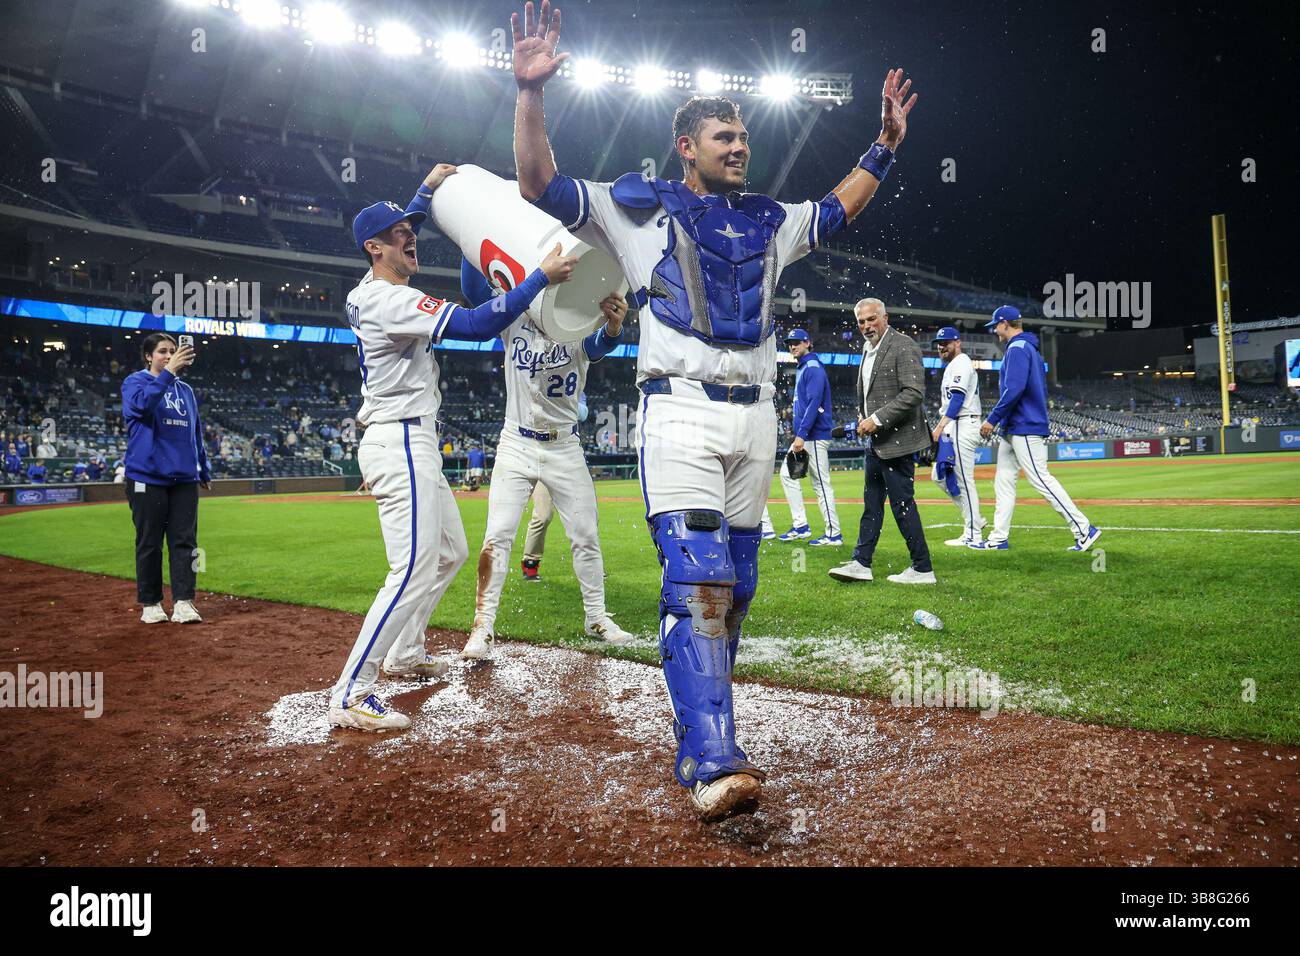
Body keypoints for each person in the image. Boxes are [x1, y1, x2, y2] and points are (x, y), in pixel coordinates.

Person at [510, 0, 918, 821]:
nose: (741, 148)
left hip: (755, 417)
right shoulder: (637, 208)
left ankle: (700, 719)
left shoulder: (771, 221)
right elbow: (539, 184)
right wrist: (530, 94)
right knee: (697, 578)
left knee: (740, 586)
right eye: (723, 139)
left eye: (743, 137)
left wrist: (884, 146)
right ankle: (711, 754)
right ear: (686, 147)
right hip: (681, 410)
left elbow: (838, 206)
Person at [328, 162, 579, 732]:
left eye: (408, 229)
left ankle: (405, 651)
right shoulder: (388, 301)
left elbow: (406, 226)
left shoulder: (374, 285)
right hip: (400, 439)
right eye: (398, 236)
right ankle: (352, 689)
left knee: (450, 554)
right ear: (374, 248)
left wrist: (424, 194)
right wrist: (538, 276)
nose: (409, 236)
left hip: (407, 439)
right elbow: (474, 325)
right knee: (413, 566)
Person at [458, 260, 634, 658]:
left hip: (564, 447)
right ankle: (482, 628)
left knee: (585, 536)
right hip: (516, 442)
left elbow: (602, 345)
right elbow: (473, 292)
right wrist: (472, 237)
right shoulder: (513, 317)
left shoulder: (576, 326)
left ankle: (596, 617)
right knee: (498, 535)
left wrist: (613, 326)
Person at [973, 306, 1101, 552]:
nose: (994, 331)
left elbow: (1014, 389)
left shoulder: (1018, 348)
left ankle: (1084, 529)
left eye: (995, 326)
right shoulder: (1024, 347)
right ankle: (998, 538)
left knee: (1041, 478)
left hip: (1024, 424)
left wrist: (992, 418)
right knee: (1004, 482)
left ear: (1005, 324)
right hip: (1015, 425)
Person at [828, 298, 935, 584]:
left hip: (898, 441)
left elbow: (913, 393)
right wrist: (865, 417)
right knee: (872, 505)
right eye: (861, 321)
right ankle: (861, 563)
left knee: (902, 505)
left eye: (871, 319)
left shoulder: (903, 345)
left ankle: (923, 568)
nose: (866, 326)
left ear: (885, 317)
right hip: (877, 443)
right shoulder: (867, 349)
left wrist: (875, 419)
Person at [121, 333, 211, 624]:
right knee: (149, 542)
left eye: (173, 351)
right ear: (149, 356)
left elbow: (195, 432)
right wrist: (169, 372)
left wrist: (204, 469)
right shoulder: (134, 382)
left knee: (186, 541)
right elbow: (142, 407)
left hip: (183, 477)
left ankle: (184, 602)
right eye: (162, 351)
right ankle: (150, 603)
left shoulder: (185, 390)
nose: (169, 355)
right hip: (146, 476)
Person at [774, 328, 841, 545]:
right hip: (807, 435)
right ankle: (801, 525)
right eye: (790, 343)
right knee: (787, 475)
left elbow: (814, 403)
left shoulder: (812, 367)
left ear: (808, 343)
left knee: (821, 484)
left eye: (797, 342)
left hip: (814, 435)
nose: (792, 346)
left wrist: (801, 435)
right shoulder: (804, 367)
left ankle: (834, 534)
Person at [929, 326, 987, 546]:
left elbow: (957, 400)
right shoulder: (953, 365)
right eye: (939, 344)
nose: (942, 347)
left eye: (946, 343)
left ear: (957, 343)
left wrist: (939, 427)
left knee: (964, 480)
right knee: (939, 475)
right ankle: (975, 519)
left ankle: (974, 534)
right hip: (954, 425)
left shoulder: (962, 362)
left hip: (963, 423)